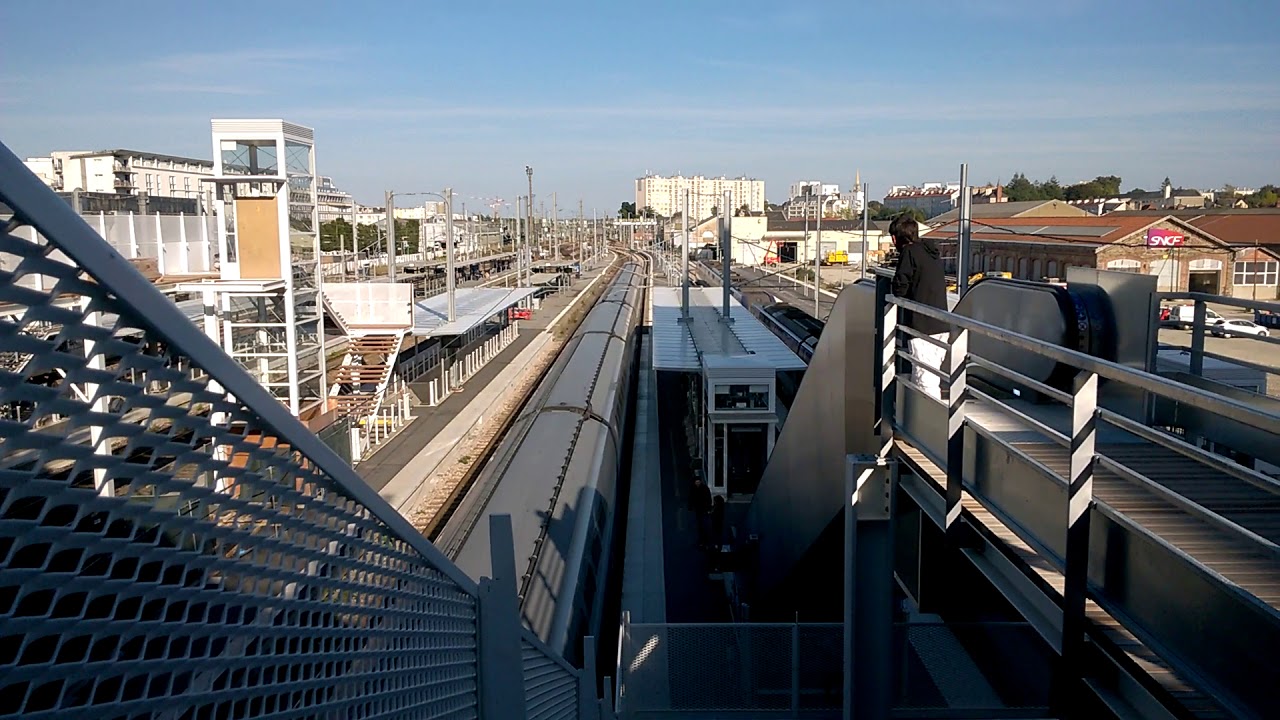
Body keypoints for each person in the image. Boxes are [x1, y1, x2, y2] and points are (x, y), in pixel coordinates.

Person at [890, 213, 949, 400]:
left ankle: (931, 422)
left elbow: (899, 287)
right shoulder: (930, 253)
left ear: (896, 237)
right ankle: (927, 419)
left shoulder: (909, 253)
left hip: (921, 326)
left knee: (925, 379)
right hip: (940, 324)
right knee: (931, 375)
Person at [690, 477, 713, 547]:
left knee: (704, 524)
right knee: (701, 525)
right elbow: (691, 497)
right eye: (696, 482)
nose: (697, 483)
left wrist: (709, 508)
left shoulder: (704, 489)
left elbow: (708, 498)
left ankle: (704, 540)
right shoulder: (694, 489)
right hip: (699, 509)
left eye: (698, 482)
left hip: (704, 509)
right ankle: (703, 540)